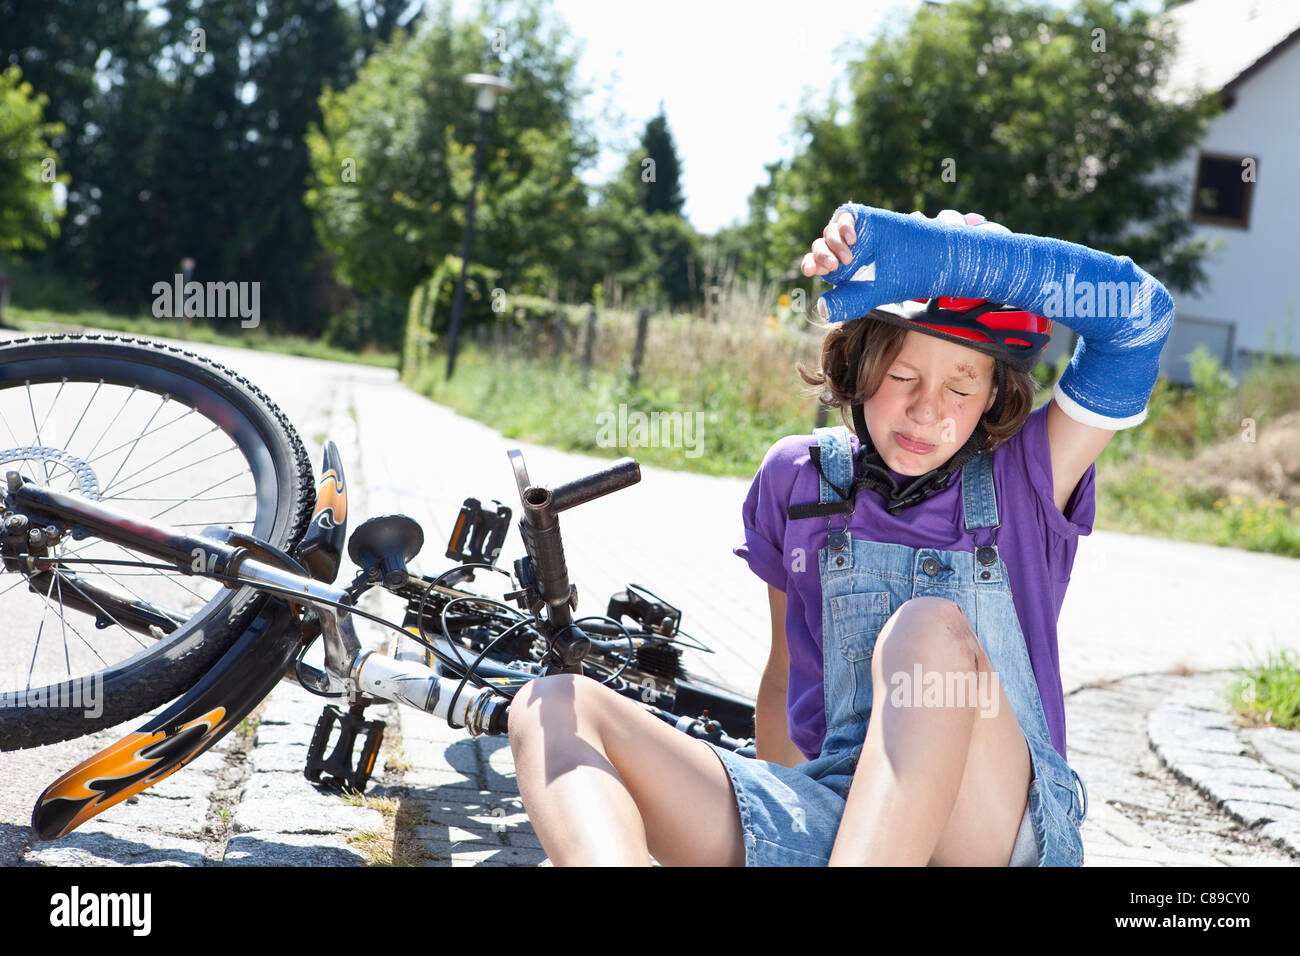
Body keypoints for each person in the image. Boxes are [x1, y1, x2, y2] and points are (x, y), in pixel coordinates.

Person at [506, 202, 1174, 866]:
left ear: (998, 395)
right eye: (903, 375)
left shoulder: (1028, 475)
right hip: (843, 814)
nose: (926, 409)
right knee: (551, 705)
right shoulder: (798, 479)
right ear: (857, 364)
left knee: (927, 631)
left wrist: (936, 258)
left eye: (961, 387)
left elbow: (1139, 319)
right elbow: (787, 674)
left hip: (992, 832)